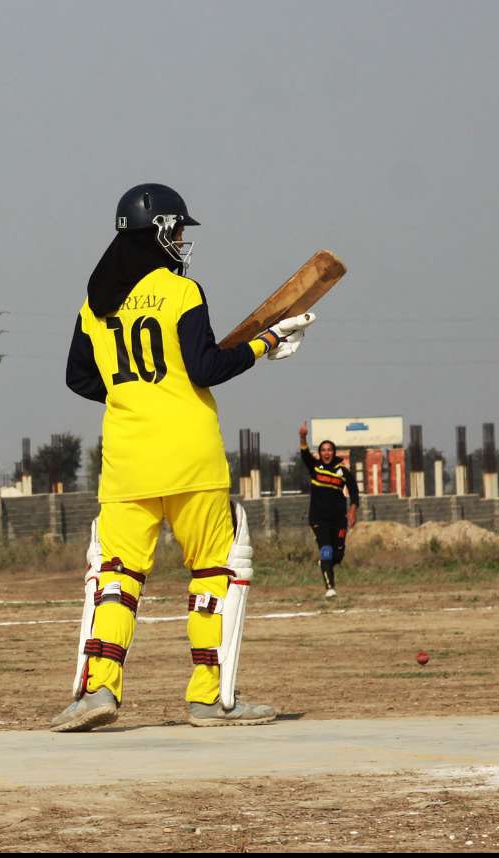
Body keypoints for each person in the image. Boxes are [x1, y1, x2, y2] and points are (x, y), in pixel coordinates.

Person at [50, 183, 315, 733]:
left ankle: (98, 689)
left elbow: (79, 377)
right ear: (162, 230)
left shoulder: (94, 303)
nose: (182, 240)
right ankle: (211, 698)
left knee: (116, 576)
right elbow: (207, 369)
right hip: (190, 457)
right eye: (178, 229)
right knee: (216, 568)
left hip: (126, 462)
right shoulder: (180, 292)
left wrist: (133, 394)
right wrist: (267, 343)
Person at [298, 422, 359, 599]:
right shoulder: (315, 467)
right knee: (326, 550)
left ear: (334, 452)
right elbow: (304, 454)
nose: (326, 452)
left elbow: (354, 492)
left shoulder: (343, 471)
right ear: (320, 453)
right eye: (323, 450)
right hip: (319, 519)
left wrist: (353, 511)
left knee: (338, 554)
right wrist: (302, 437)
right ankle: (330, 588)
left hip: (339, 519)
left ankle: (325, 563)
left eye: (329, 450)